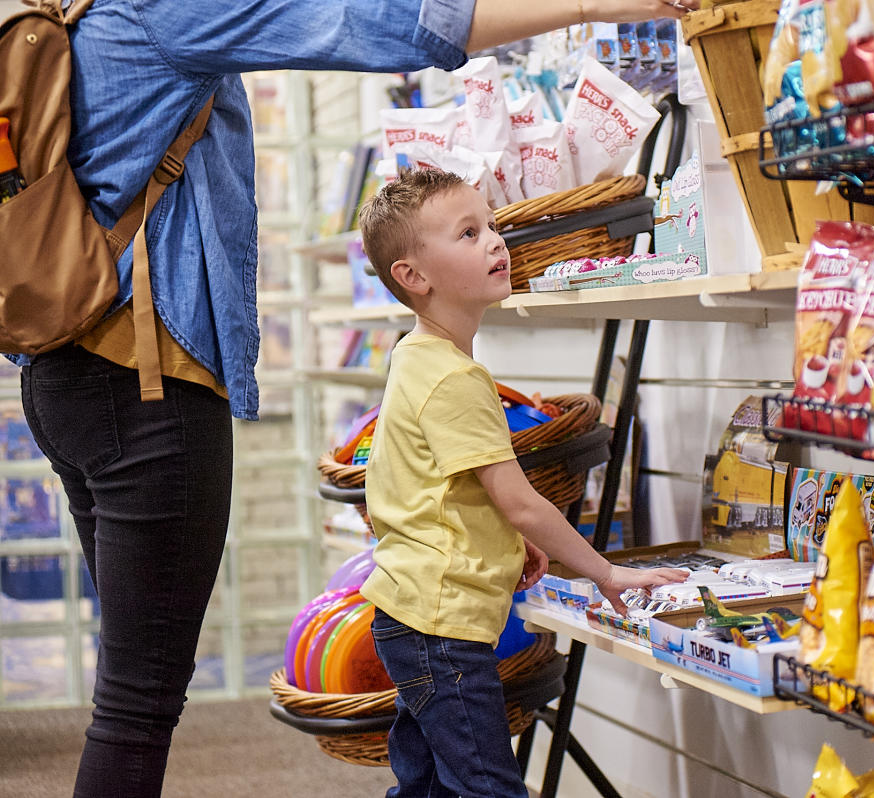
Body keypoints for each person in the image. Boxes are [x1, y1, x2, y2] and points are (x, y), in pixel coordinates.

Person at [12, 1, 698, 797]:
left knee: (132, 688)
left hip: (64, 371)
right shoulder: (168, 10)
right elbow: (388, 23)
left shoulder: (82, 13)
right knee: (138, 703)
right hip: (143, 381)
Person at [356, 167, 689, 798]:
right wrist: (607, 573)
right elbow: (520, 501)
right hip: (441, 626)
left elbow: (438, 488)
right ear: (415, 276)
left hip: (412, 614)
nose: (495, 242)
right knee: (487, 785)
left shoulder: (416, 354)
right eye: (468, 232)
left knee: (428, 781)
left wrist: (503, 543)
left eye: (492, 225)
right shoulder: (455, 378)